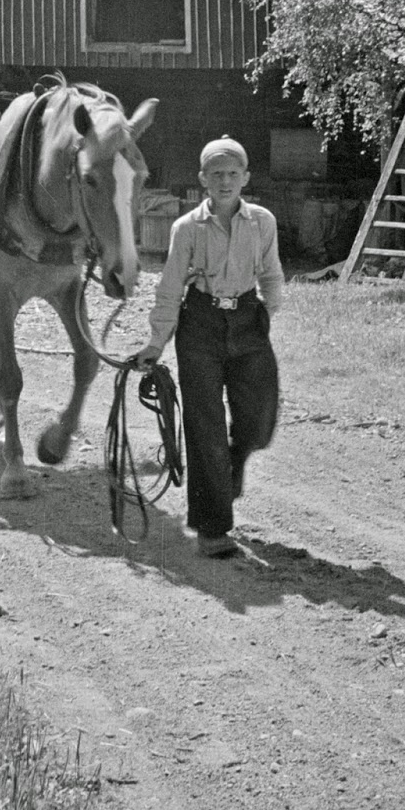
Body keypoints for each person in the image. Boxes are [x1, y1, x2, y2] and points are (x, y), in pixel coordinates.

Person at [136, 135, 283, 558]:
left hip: (247, 321)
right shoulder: (186, 229)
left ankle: (229, 472)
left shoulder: (262, 222)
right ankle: (212, 527)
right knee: (206, 427)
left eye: (233, 173)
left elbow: (271, 274)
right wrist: (156, 342)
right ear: (203, 179)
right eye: (216, 174)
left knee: (258, 420)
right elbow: (168, 291)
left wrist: (265, 312)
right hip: (199, 323)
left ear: (246, 178)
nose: (225, 181)